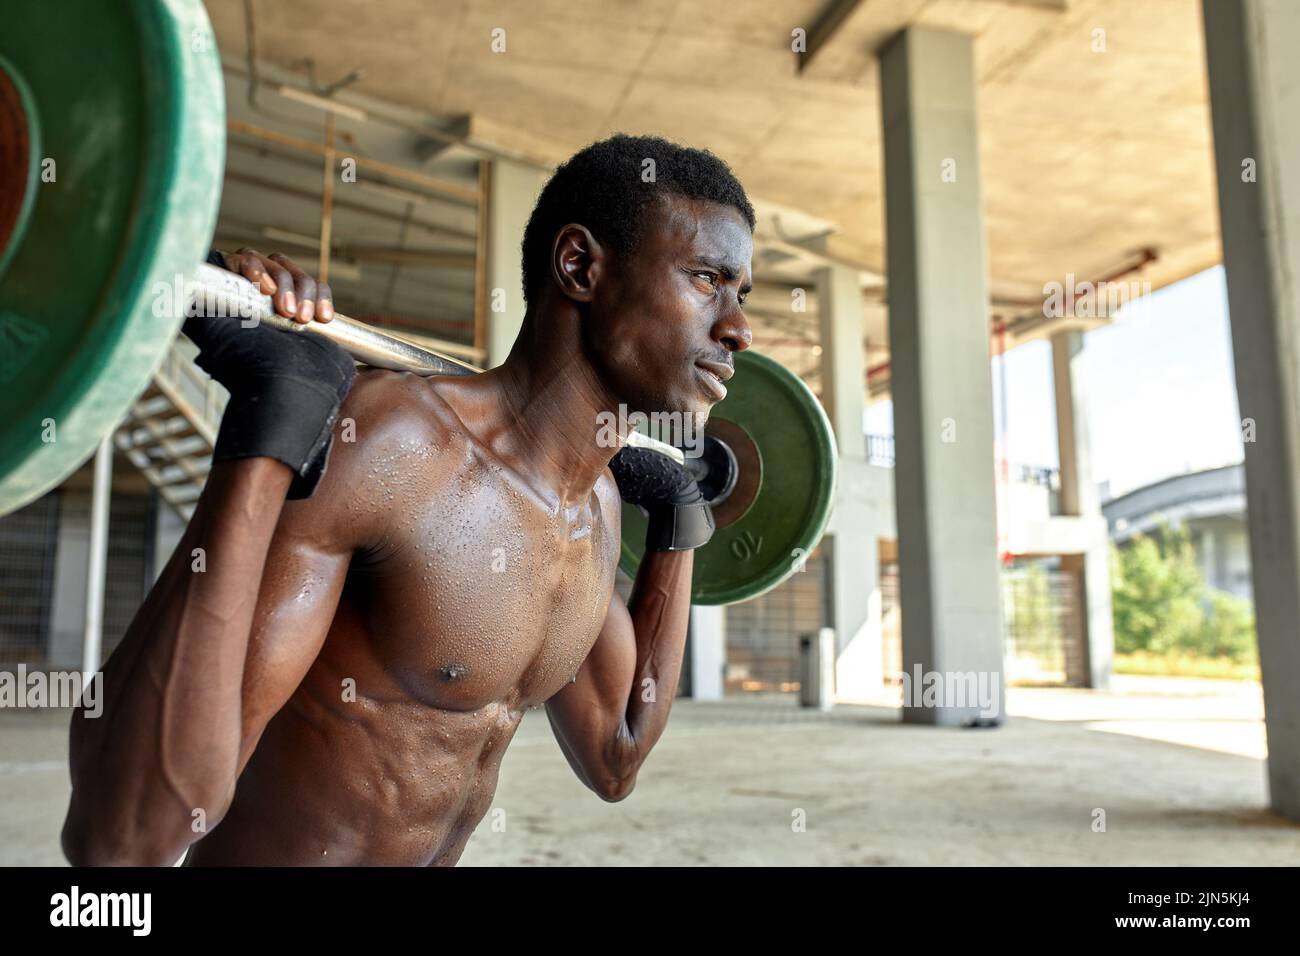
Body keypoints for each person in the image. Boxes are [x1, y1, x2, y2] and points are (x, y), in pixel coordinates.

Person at [61, 133, 754, 866]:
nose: (738, 327)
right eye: (707, 279)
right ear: (580, 266)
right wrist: (276, 419)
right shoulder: (393, 445)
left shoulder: (597, 510)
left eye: (743, 293)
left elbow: (616, 760)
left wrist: (679, 527)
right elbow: (128, 838)